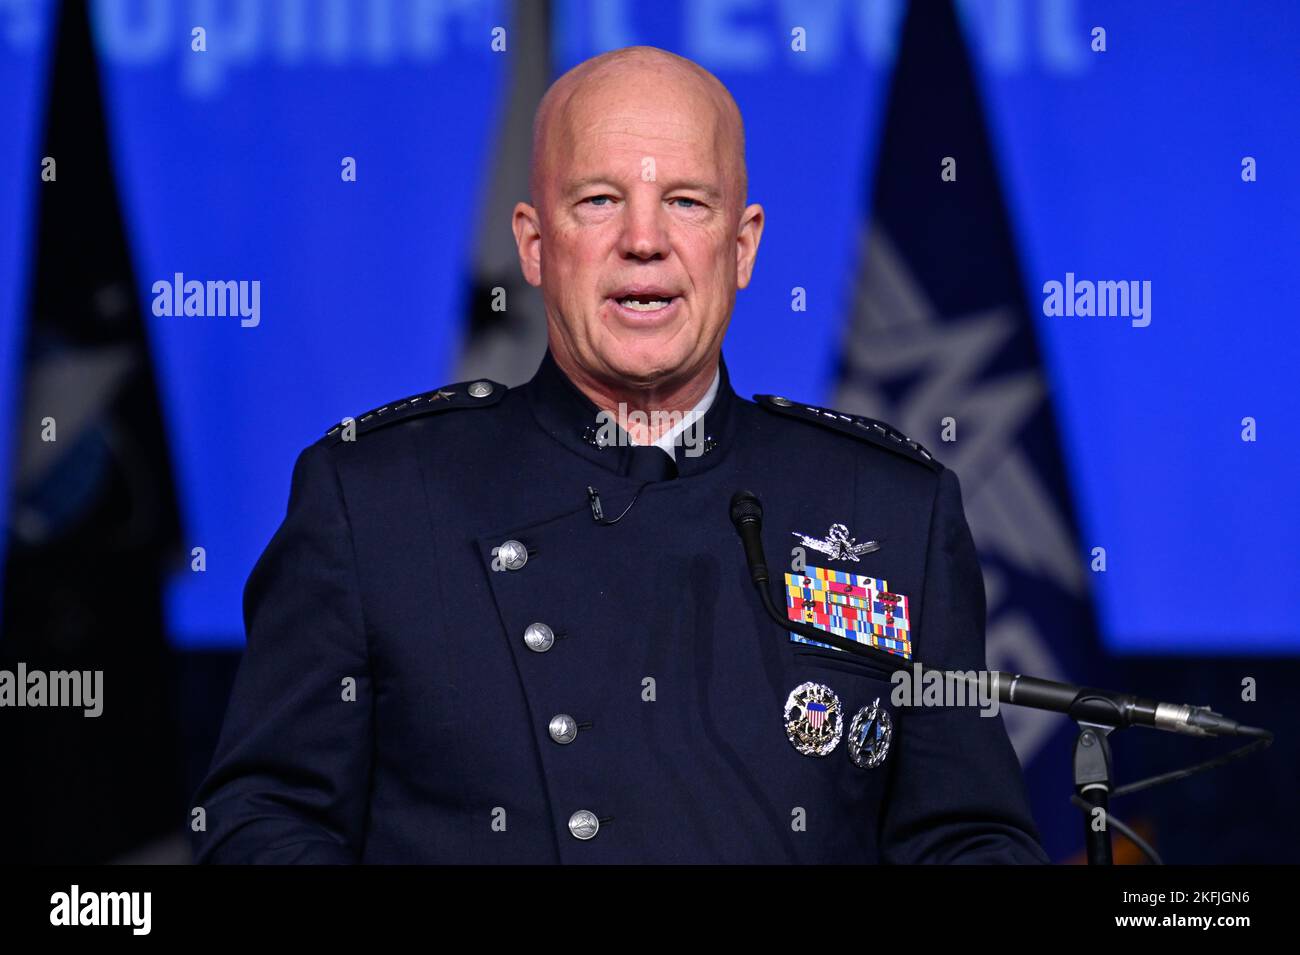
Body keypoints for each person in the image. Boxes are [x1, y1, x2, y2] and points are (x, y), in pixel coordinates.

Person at [191, 46, 1048, 864]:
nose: (644, 240)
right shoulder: (373, 499)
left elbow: (968, 838)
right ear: (534, 244)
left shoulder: (888, 508)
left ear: (742, 246)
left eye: (687, 201)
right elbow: (262, 820)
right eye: (599, 200)